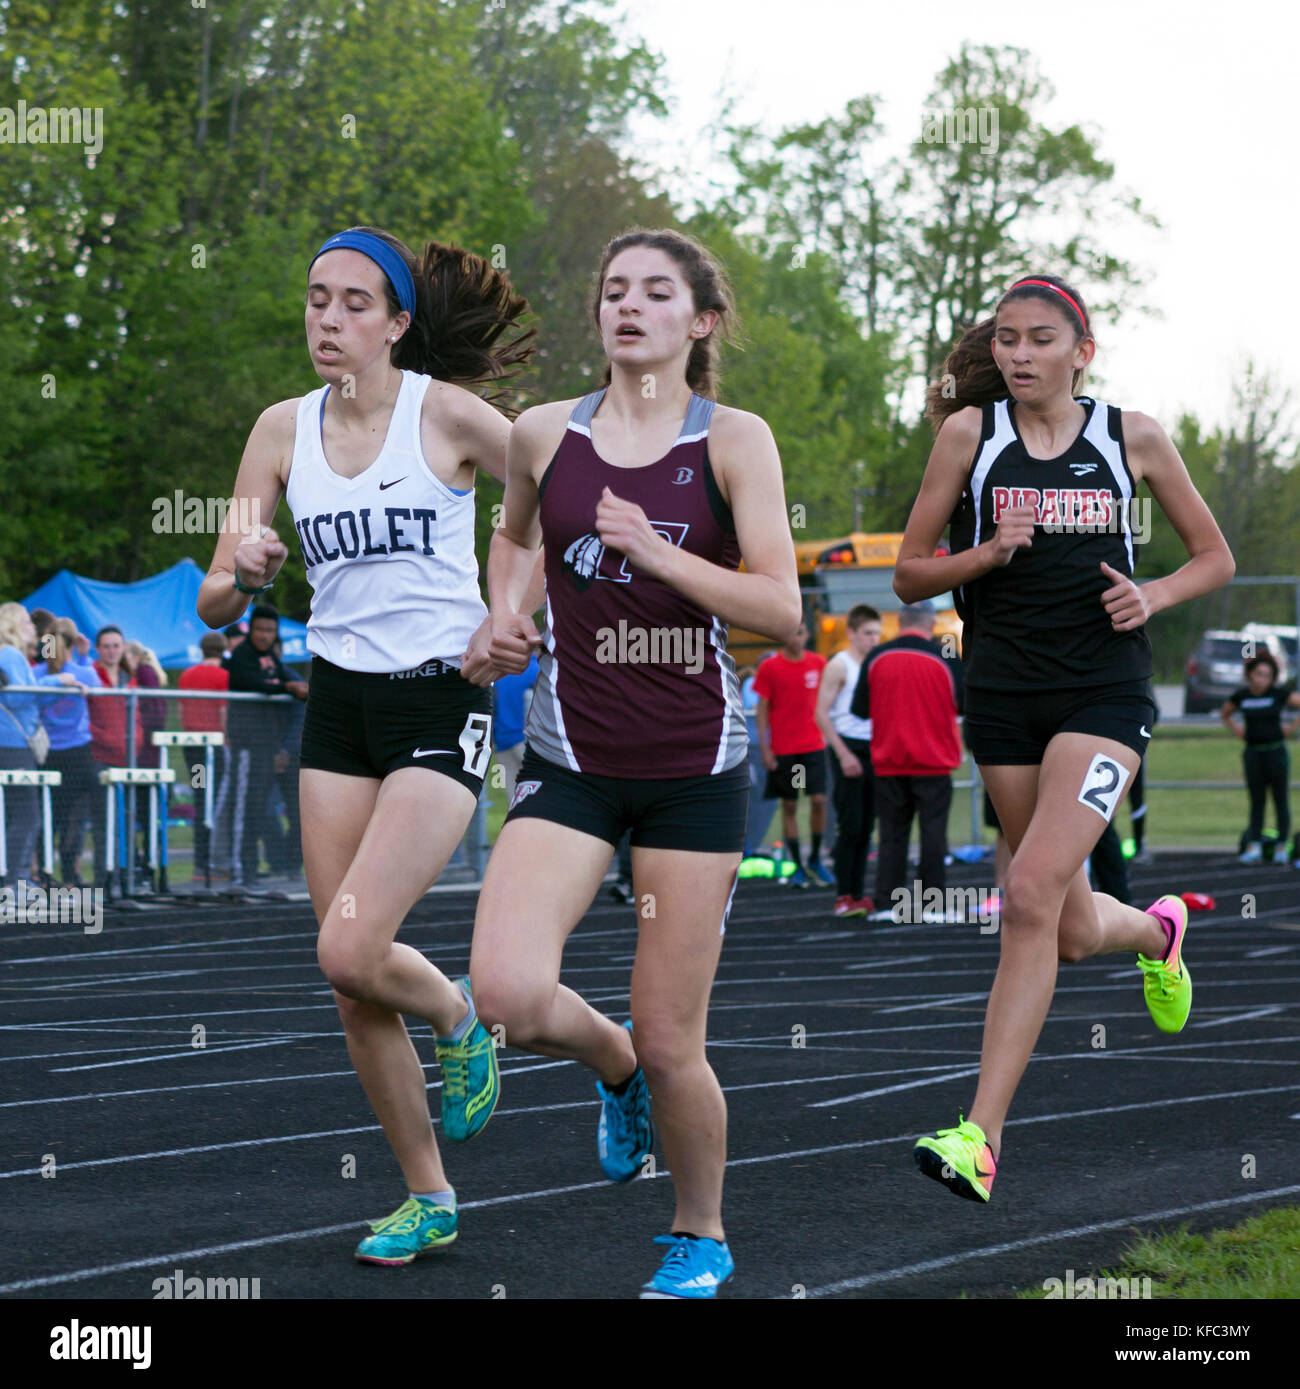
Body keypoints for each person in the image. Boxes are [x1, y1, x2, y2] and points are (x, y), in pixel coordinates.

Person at [468, 227, 800, 1298]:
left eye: (657, 293)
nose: (628, 307)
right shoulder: (539, 434)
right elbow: (516, 539)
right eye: (614, 289)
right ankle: (608, 1068)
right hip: (570, 759)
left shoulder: (733, 440)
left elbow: (783, 612)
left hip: (695, 770)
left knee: (671, 1035)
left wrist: (656, 551)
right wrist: (505, 615)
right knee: (508, 993)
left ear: (699, 322)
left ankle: (698, 1229)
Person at [197, 224, 535, 1264]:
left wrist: (504, 607)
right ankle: (427, 1195)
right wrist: (247, 567)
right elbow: (215, 600)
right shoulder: (278, 430)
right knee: (348, 979)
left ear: (396, 324)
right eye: (315, 300)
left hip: (440, 698)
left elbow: (542, 502)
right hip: (337, 704)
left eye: (353, 304)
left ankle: (456, 1012)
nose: (328, 321)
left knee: (349, 942)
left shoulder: (447, 415)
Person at [894, 272, 1233, 1203]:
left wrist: (1152, 592)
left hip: (1104, 695)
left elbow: (1216, 556)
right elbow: (910, 578)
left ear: (1081, 351)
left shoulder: (1133, 436)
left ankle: (980, 1136)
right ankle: (1160, 930)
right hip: (1004, 699)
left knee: (1031, 888)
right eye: (1005, 339)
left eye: (1040, 339)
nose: (1018, 355)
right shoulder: (971, 437)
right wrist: (990, 552)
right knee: (1074, 929)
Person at [851, 601, 963, 921]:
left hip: (889, 759)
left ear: (899, 621)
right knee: (933, 833)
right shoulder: (945, 656)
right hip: (934, 759)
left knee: (892, 833)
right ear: (930, 623)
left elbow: (860, 709)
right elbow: (964, 703)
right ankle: (933, 905)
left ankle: (887, 903)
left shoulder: (877, 656)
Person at [0, 605, 83, 887]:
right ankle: (16, 880)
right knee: (27, 814)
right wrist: (57, 680)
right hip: (13, 743)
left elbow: (30, 699)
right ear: (12, 624)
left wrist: (60, 687)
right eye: (26, 622)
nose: (33, 628)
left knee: (21, 813)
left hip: (14, 741)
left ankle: (16, 878)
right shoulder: (9, 654)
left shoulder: (14, 655)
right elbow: (18, 698)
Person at [753, 621, 831, 888]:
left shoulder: (819, 663)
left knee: (819, 800)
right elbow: (762, 708)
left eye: (801, 631)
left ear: (807, 634)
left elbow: (831, 697)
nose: (797, 637)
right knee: (790, 805)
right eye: (791, 632)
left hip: (814, 747)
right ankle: (797, 864)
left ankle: (816, 859)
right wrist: (766, 748)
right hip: (786, 750)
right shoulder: (770, 667)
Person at [815, 604, 880, 916]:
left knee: (867, 826)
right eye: (868, 633)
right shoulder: (839, 665)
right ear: (852, 633)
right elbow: (820, 714)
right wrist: (842, 754)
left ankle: (857, 893)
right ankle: (843, 895)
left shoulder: (875, 663)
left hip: (874, 748)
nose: (873, 639)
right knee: (850, 825)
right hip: (847, 746)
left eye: (877, 633)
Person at [33, 618, 100, 884]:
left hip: (46, 753)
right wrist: (84, 657)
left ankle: (45, 873)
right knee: (75, 817)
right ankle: (72, 874)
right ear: (73, 642)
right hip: (78, 752)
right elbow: (99, 689)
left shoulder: (37, 674)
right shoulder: (82, 672)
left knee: (48, 816)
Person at [1222, 650, 1299, 864]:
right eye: (1259, 674)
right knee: (1257, 801)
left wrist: (1289, 729)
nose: (1262, 679)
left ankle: (1282, 846)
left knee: (1280, 799)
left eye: (1267, 675)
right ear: (1250, 675)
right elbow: (1226, 713)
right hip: (1253, 753)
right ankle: (1254, 844)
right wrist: (1238, 731)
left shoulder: (1278, 694)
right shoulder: (1242, 696)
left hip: (1276, 752)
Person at [87, 625, 145, 891]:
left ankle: (126, 878)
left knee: (126, 821)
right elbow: (84, 718)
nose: (111, 651)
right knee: (104, 823)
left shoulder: (127, 678)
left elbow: (136, 718)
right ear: (98, 649)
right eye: (106, 646)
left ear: (123, 648)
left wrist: (136, 741)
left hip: (127, 760)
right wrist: (107, 739)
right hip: (100, 758)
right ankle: (104, 879)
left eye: (116, 646)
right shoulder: (90, 674)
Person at [178, 632, 230, 882]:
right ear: (223, 649)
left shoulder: (187, 675)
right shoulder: (224, 676)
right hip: (214, 747)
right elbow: (223, 711)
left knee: (201, 798)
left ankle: (201, 862)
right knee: (216, 801)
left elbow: (181, 710)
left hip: (193, 747)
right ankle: (211, 860)